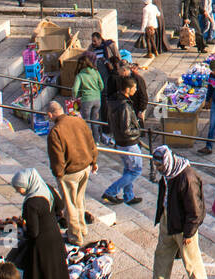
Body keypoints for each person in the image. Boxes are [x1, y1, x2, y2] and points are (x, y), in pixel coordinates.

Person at [151, 145, 207, 279]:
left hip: (183, 227)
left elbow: (195, 210)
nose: (158, 168)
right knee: (161, 257)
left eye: (159, 165)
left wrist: (189, 233)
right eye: (156, 165)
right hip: (168, 220)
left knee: (192, 264)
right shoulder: (168, 173)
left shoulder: (187, 177)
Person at [45, 100, 97, 244]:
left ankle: (75, 236)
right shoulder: (79, 121)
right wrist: (94, 161)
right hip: (85, 167)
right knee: (80, 200)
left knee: (70, 205)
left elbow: (57, 158)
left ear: (50, 114)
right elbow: (91, 142)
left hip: (70, 172)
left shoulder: (55, 132)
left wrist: (58, 174)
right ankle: (83, 228)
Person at [8, 169, 68, 279]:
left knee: (41, 273)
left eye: (18, 188)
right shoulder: (46, 188)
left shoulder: (31, 203)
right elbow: (60, 205)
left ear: (27, 184)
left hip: (41, 244)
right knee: (56, 269)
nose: (17, 191)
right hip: (55, 235)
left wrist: (23, 230)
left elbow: (34, 232)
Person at [101, 76, 144, 206]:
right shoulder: (124, 106)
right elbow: (126, 129)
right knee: (136, 170)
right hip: (128, 143)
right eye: (134, 88)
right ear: (127, 89)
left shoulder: (114, 101)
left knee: (128, 169)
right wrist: (138, 131)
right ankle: (111, 192)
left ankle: (129, 196)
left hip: (120, 142)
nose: (136, 90)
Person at [70, 53, 106, 140]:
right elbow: (101, 85)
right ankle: (96, 140)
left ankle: (88, 140)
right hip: (97, 99)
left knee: (86, 121)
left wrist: (75, 97)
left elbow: (75, 89)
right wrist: (97, 92)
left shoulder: (80, 75)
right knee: (94, 121)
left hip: (86, 99)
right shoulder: (95, 71)